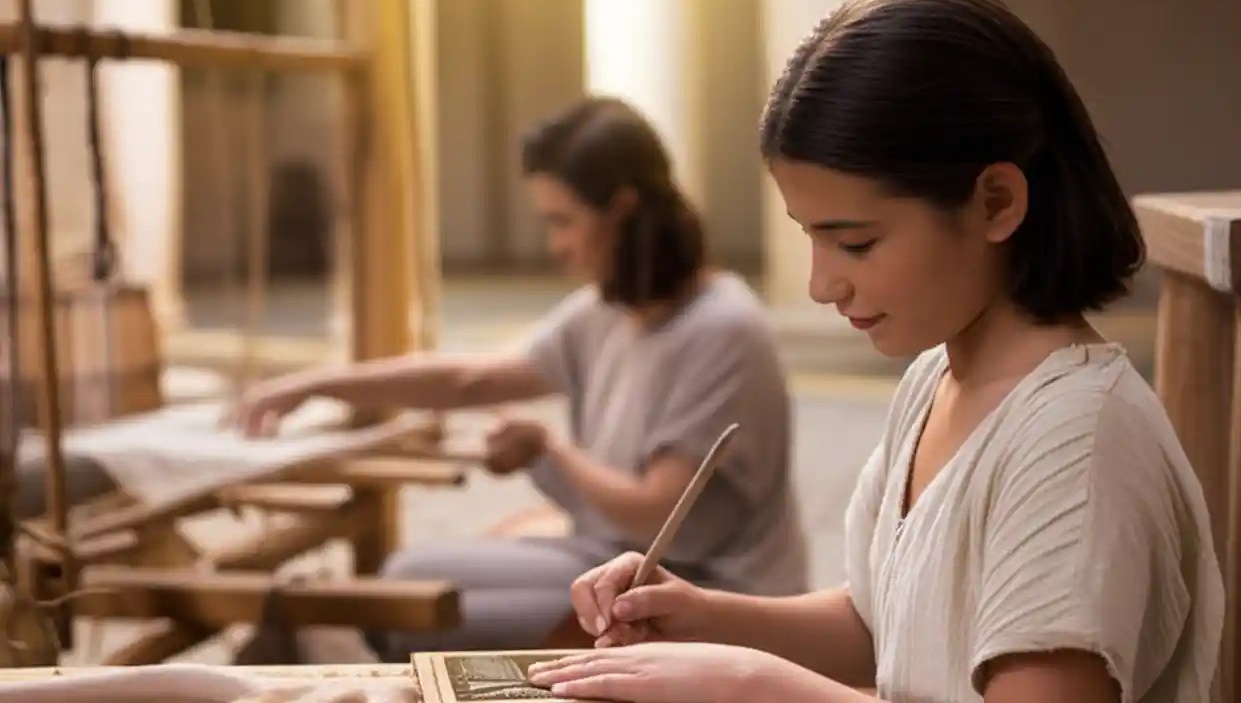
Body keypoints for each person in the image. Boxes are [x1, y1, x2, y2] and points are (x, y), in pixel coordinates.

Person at [526, 0, 1224, 702]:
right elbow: (879, 628)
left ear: (996, 203)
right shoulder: (934, 380)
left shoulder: (1079, 444)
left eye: (855, 242)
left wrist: (751, 684)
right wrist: (701, 616)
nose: (822, 284)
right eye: (810, 235)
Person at [230, 97, 809, 658]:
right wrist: (316, 383)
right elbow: (470, 381)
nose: (555, 244)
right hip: (612, 557)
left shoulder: (722, 327)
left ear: (623, 210)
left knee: (414, 617)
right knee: (402, 578)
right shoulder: (606, 310)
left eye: (564, 221)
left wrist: (548, 448)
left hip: (703, 586)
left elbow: (654, 510)